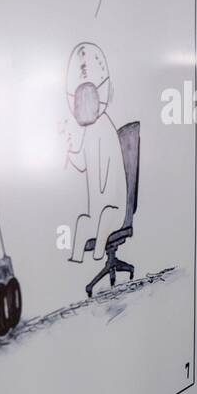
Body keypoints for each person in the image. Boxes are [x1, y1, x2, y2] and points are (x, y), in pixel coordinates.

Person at [64, 42, 127, 265]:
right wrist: (70, 148)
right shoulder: (90, 131)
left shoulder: (104, 129)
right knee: (83, 223)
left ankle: (101, 254)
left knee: (104, 219)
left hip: (113, 208)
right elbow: (82, 163)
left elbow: (103, 174)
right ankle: (76, 261)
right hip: (97, 209)